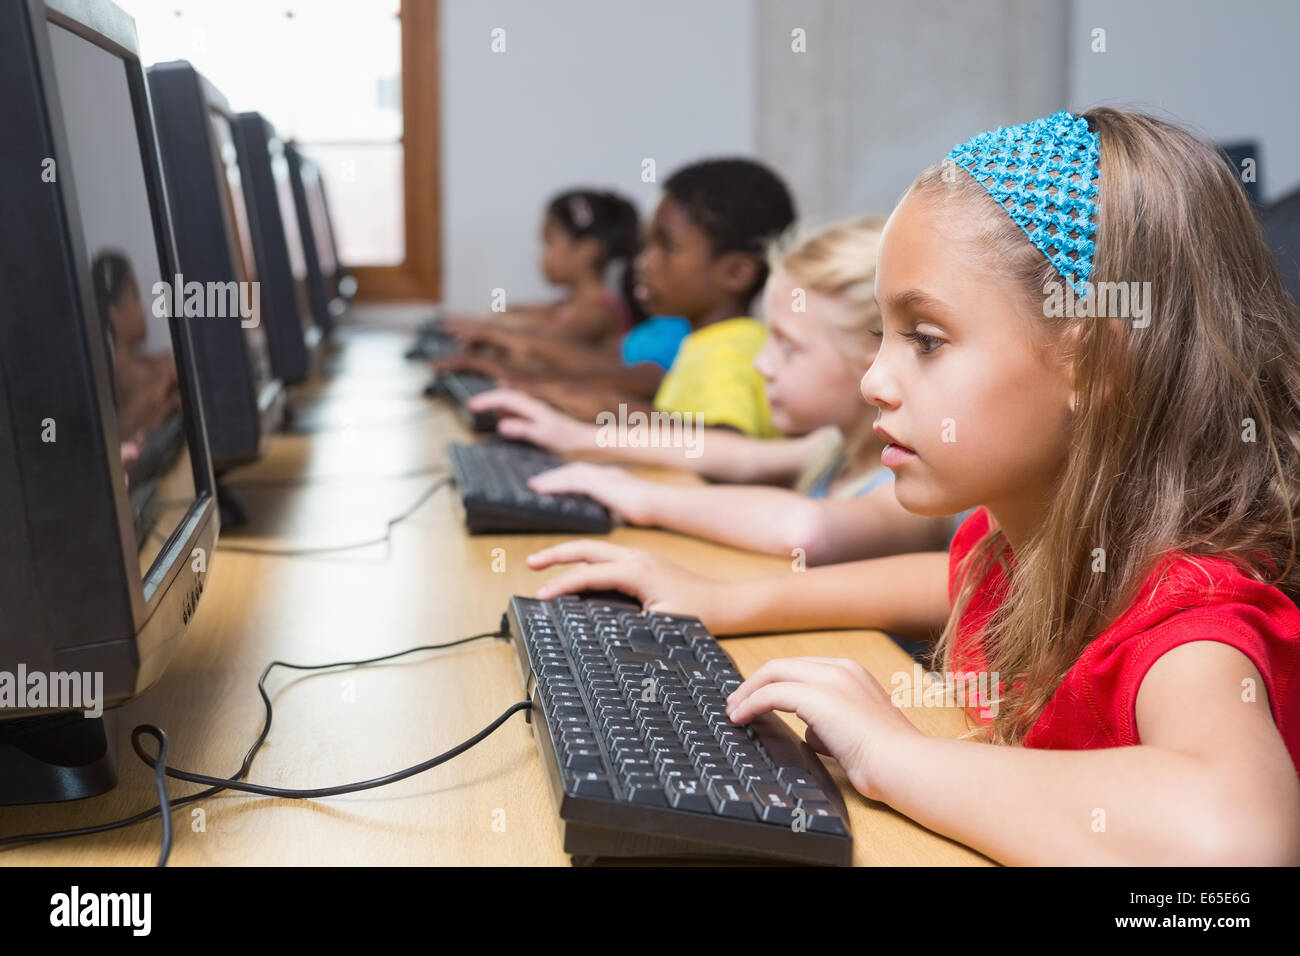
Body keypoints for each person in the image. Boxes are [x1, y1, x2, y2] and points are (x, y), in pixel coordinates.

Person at [522, 109, 1300, 864]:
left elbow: (1235, 839)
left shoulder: (1191, 619)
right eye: (878, 338)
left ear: (1092, 365)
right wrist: (726, 602)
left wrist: (891, 755)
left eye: (926, 340)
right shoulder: (1020, 547)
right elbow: (949, 580)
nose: (874, 381)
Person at [527, 218, 953, 563]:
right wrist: (572, 437)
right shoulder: (832, 447)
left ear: (874, 359)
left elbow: (807, 530)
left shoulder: (921, 487)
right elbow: (731, 454)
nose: (761, 364)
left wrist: (643, 497)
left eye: (787, 347)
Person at [466, 157, 797, 434]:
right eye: (646, 246)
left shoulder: (731, 351)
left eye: (666, 247)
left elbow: (727, 446)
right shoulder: (707, 342)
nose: (644, 263)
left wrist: (610, 410)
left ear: (735, 273)